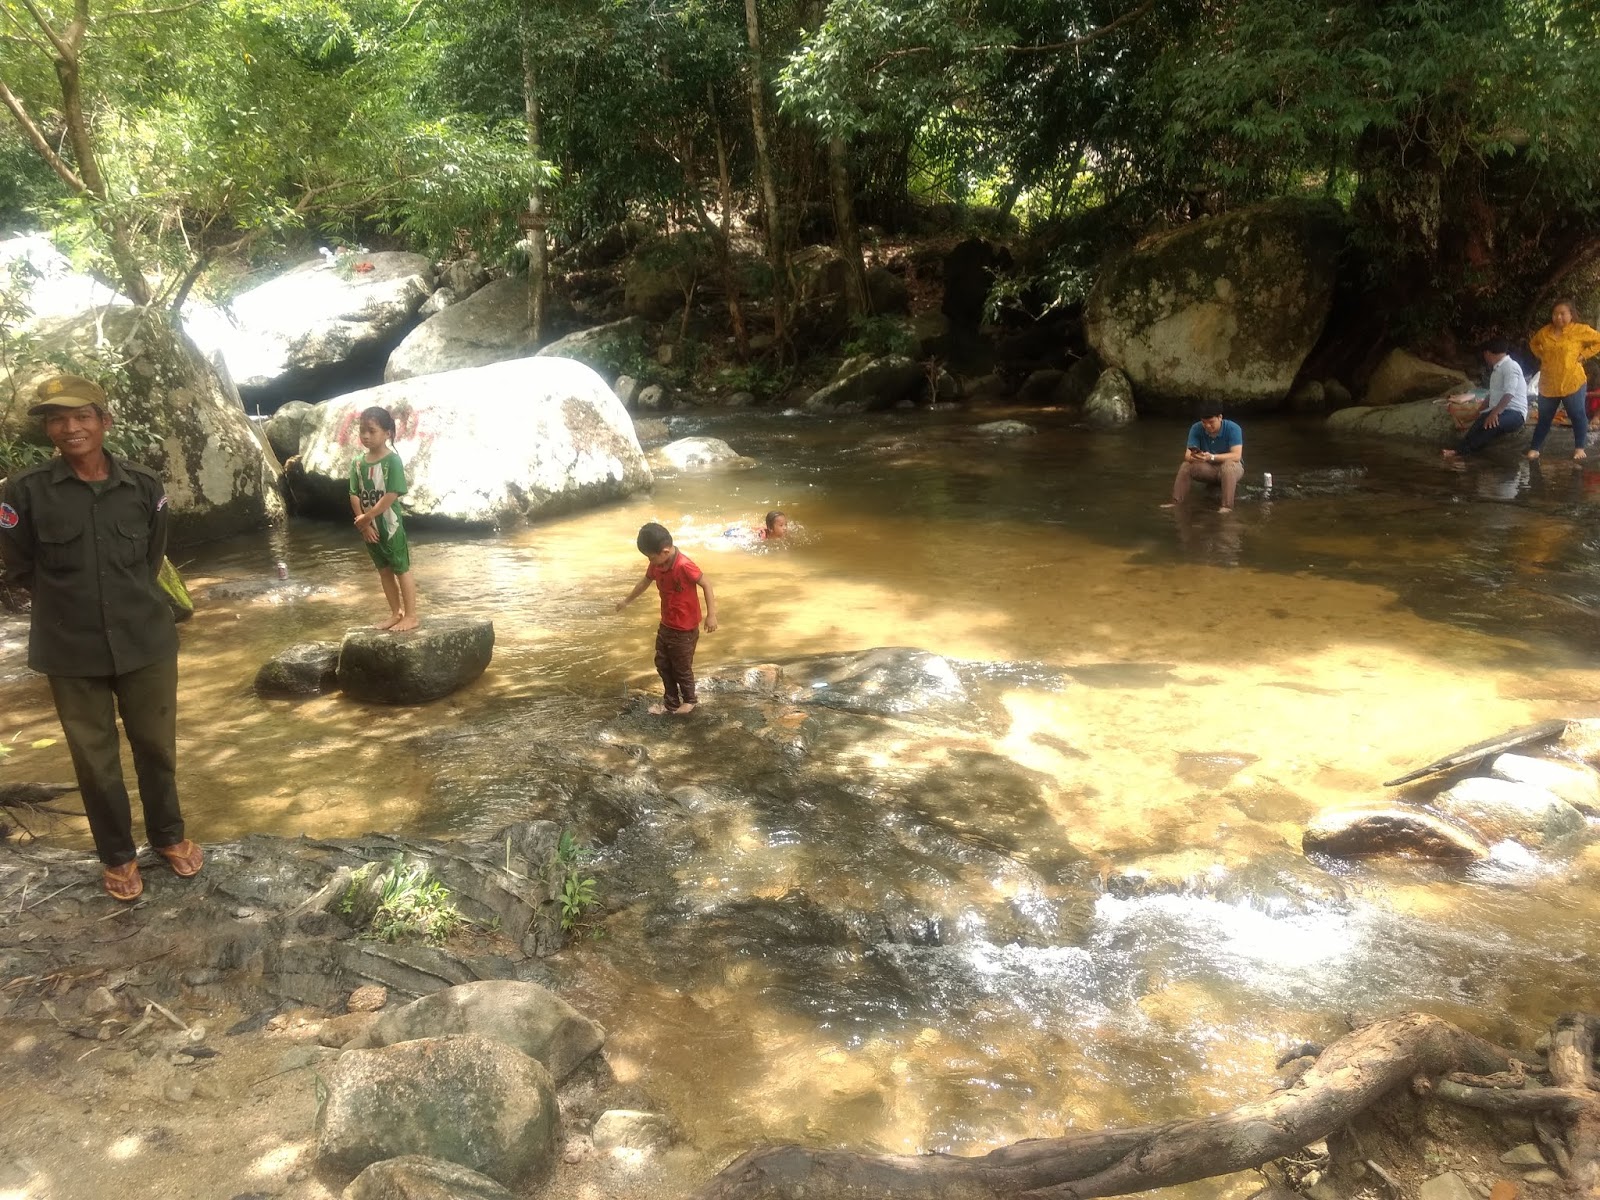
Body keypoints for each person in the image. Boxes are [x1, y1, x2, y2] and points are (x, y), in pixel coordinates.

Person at [0, 373, 202, 901]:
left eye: (82, 416)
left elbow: (152, 556)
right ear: (48, 430)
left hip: (146, 641)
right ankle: (116, 854)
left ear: (104, 422)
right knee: (94, 759)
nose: (70, 427)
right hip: (70, 648)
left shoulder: (143, 485)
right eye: (57, 419)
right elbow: (18, 565)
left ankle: (168, 836)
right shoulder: (23, 492)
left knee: (156, 746)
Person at [615, 522, 718, 715]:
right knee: (662, 663)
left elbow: (707, 584)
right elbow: (645, 581)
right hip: (667, 623)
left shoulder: (684, 565)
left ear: (665, 551)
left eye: (651, 557)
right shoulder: (657, 565)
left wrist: (711, 615)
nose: (650, 561)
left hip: (685, 628)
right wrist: (626, 601)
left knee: (681, 666)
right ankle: (671, 703)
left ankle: (689, 700)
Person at [349, 405, 419, 631]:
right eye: (362, 431)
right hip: (368, 527)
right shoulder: (357, 463)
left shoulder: (392, 461)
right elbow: (354, 493)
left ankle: (411, 615)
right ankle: (395, 613)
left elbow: (391, 495)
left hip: (389, 525)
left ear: (387, 433)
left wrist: (367, 517)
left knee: (400, 567)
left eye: (372, 430)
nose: (365, 436)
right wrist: (363, 522)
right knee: (384, 570)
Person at [1526, 299, 1600, 463]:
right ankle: (1535, 448)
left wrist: (1583, 355)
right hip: (1549, 382)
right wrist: (1542, 355)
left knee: (1577, 414)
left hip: (1572, 380)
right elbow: (1534, 343)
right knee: (1545, 416)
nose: (1558, 317)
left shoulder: (1580, 330)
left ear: (1571, 315)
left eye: (1562, 314)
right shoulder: (1545, 332)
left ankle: (1579, 447)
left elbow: (1598, 340)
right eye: (1555, 314)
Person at [1442, 337, 1528, 462]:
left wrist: (1494, 413)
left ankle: (1462, 454)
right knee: (1478, 423)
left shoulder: (1510, 366)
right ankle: (1459, 450)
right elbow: (1491, 396)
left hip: (1515, 413)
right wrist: (1477, 413)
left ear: (1487, 353)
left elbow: (1510, 393)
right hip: (1501, 410)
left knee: (1491, 425)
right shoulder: (1497, 369)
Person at [1163, 404, 1244, 513]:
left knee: (1228, 465)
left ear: (1220, 417)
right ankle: (1176, 502)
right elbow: (1187, 456)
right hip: (1208, 468)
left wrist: (1212, 457)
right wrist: (1198, 457)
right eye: (1204, 423)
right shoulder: (1196, 428)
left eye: (1211, 422)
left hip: (1232, 467)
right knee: (1186, 466)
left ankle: (1227, 507)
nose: (1208, 426)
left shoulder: (1233, 428)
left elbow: (1236, 455)